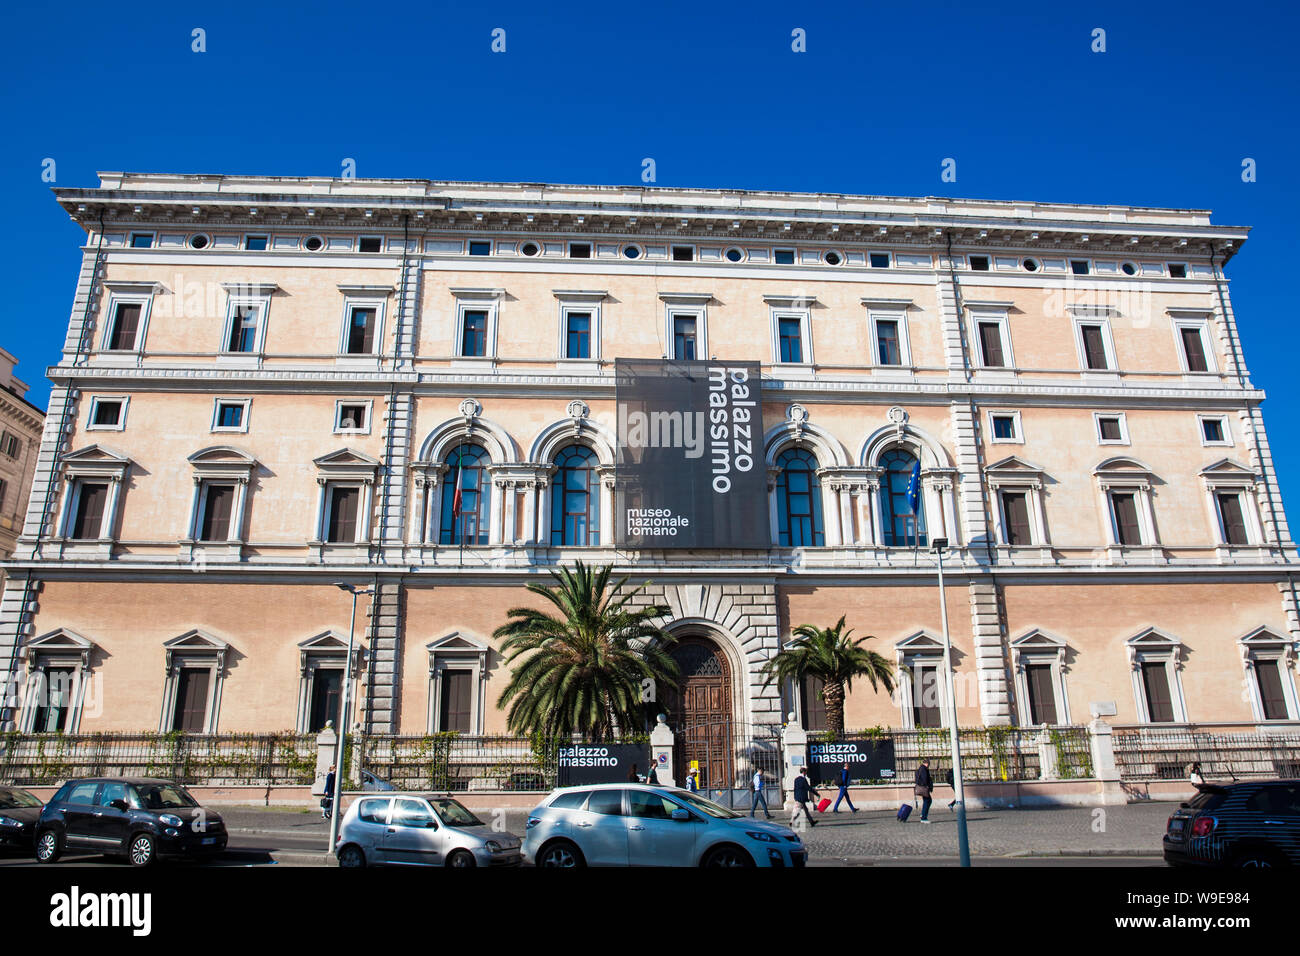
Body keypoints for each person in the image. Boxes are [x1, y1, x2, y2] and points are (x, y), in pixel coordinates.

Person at [914, 757, 934, 823]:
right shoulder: (924, 769)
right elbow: (925, 779)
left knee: (927, 801)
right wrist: (928, 786)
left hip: (922, 787)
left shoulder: (921, 768)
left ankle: (923, 814)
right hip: (924, 788)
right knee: (928, 801)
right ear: (927, 763)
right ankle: (924, 817)